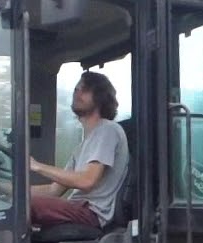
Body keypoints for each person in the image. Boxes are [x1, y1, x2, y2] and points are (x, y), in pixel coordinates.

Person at [29, 71, 129, 231]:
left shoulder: (108, 130)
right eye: (76, 89)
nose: (77, 92)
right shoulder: (82, 147)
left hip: (91, 212)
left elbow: (87, 181)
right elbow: (53, 190)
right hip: (77, 208)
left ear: (100, 96)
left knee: (26, 206)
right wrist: (6, 192)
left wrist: (37, 166)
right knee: (15, 205)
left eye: (85, 89)